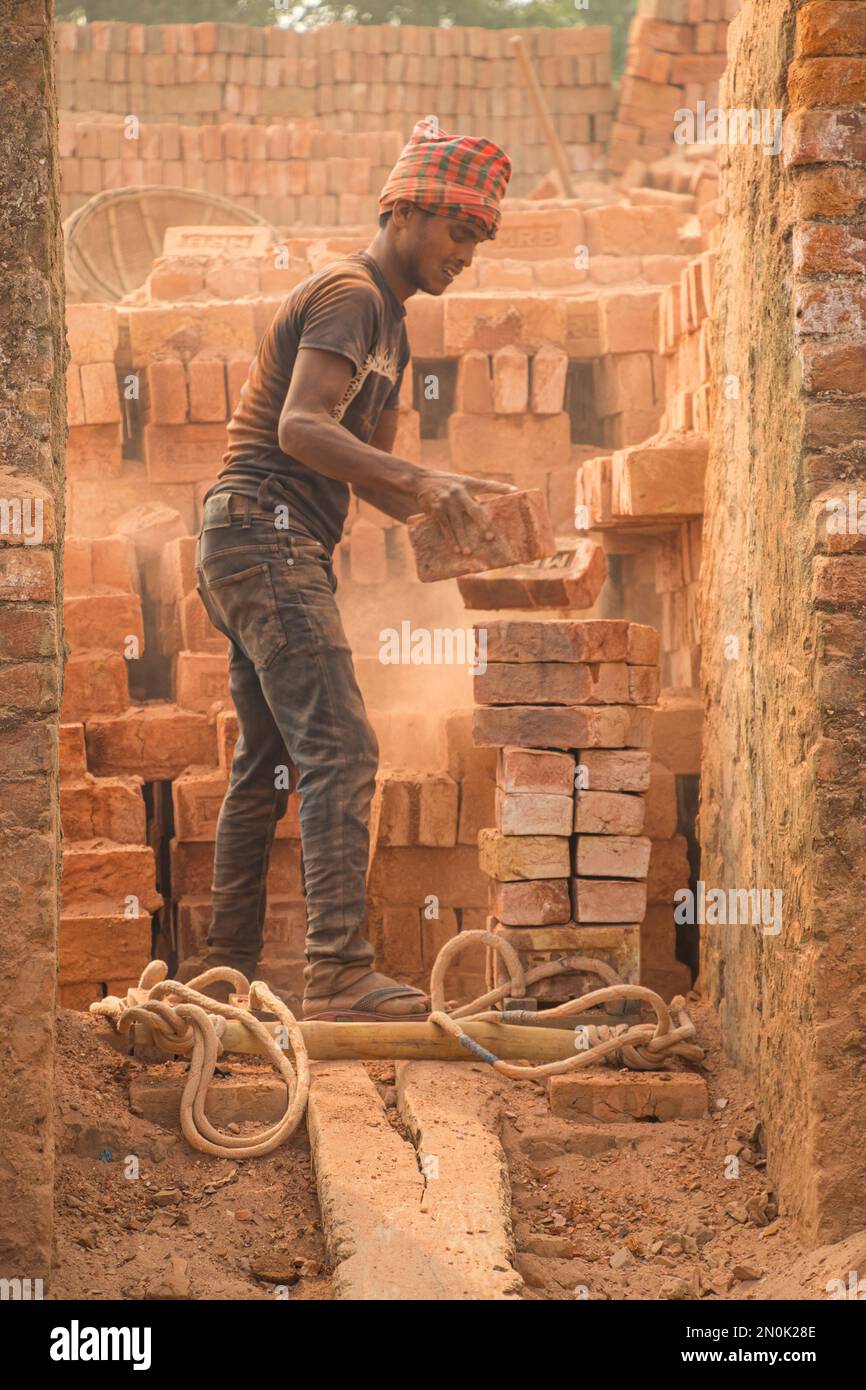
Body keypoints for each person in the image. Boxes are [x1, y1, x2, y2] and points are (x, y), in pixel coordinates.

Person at [176, 118, 513, 1020]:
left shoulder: (390, 330)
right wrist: (420, 478)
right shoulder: (351, 294)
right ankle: (338, 974)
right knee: (343, 749)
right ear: (403, 209)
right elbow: (299, 429)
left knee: (270, 763)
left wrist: (464, 503)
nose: (468, 253)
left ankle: (222, 974)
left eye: (480, 237)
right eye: (459, 230)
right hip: (267, 533)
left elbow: (372, 472)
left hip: (249, 539)